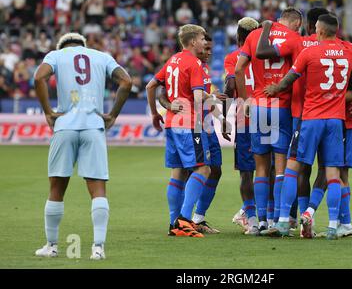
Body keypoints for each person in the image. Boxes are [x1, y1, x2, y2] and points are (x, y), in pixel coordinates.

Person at [263, 14, 352, 239]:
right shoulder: (350, 51)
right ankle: (333, 226)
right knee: (333, 174)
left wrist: (276, 89)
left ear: (318, 31)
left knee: (293, 169)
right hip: (335, 120)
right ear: (336, 31)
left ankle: (283, 221)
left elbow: (290, 79)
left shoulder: (309, 52)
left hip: (310, 118)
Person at [34, 32, 132, 259]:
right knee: (98, 189)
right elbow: (126, 81)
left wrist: (48, 112)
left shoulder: (56, 55)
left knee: (56, 188)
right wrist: (113, 115)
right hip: (93, 126)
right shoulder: (101, 56)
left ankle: (52, 246)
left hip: (65, 126)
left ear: (62, 45)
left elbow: (39, 78)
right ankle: (98, 248)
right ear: (83, 45)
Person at [146, 24, 220, 238]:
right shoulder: (194, 63)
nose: (204, 42)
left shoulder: (172, 61)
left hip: (171, 123)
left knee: (178, 173)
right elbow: (198, 97)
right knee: (203, 170)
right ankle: (185, 220)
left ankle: (173, 222)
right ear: (192, 41)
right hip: (189, 125)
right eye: (200, 38)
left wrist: (155, 113)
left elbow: (151, 86)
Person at [235, 8, 303, 234]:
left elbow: (238, 68)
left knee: (261, 167)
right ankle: (278, 220)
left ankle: (261, 221)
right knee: (281, 167)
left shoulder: (254, 35)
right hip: (281, 106)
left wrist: (245, 99)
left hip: (258, 107)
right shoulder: (294, 38)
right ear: (296, 22)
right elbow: (298, 74)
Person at [223, 17, 259, 234]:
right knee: (270, 170)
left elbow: (229, 86)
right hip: (269, 115)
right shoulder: (265, 57)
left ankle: (252, 220)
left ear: (238, 36)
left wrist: (225, 119)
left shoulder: (232, 58)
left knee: (247, 173)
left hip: (244, 120)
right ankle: (268, 218)